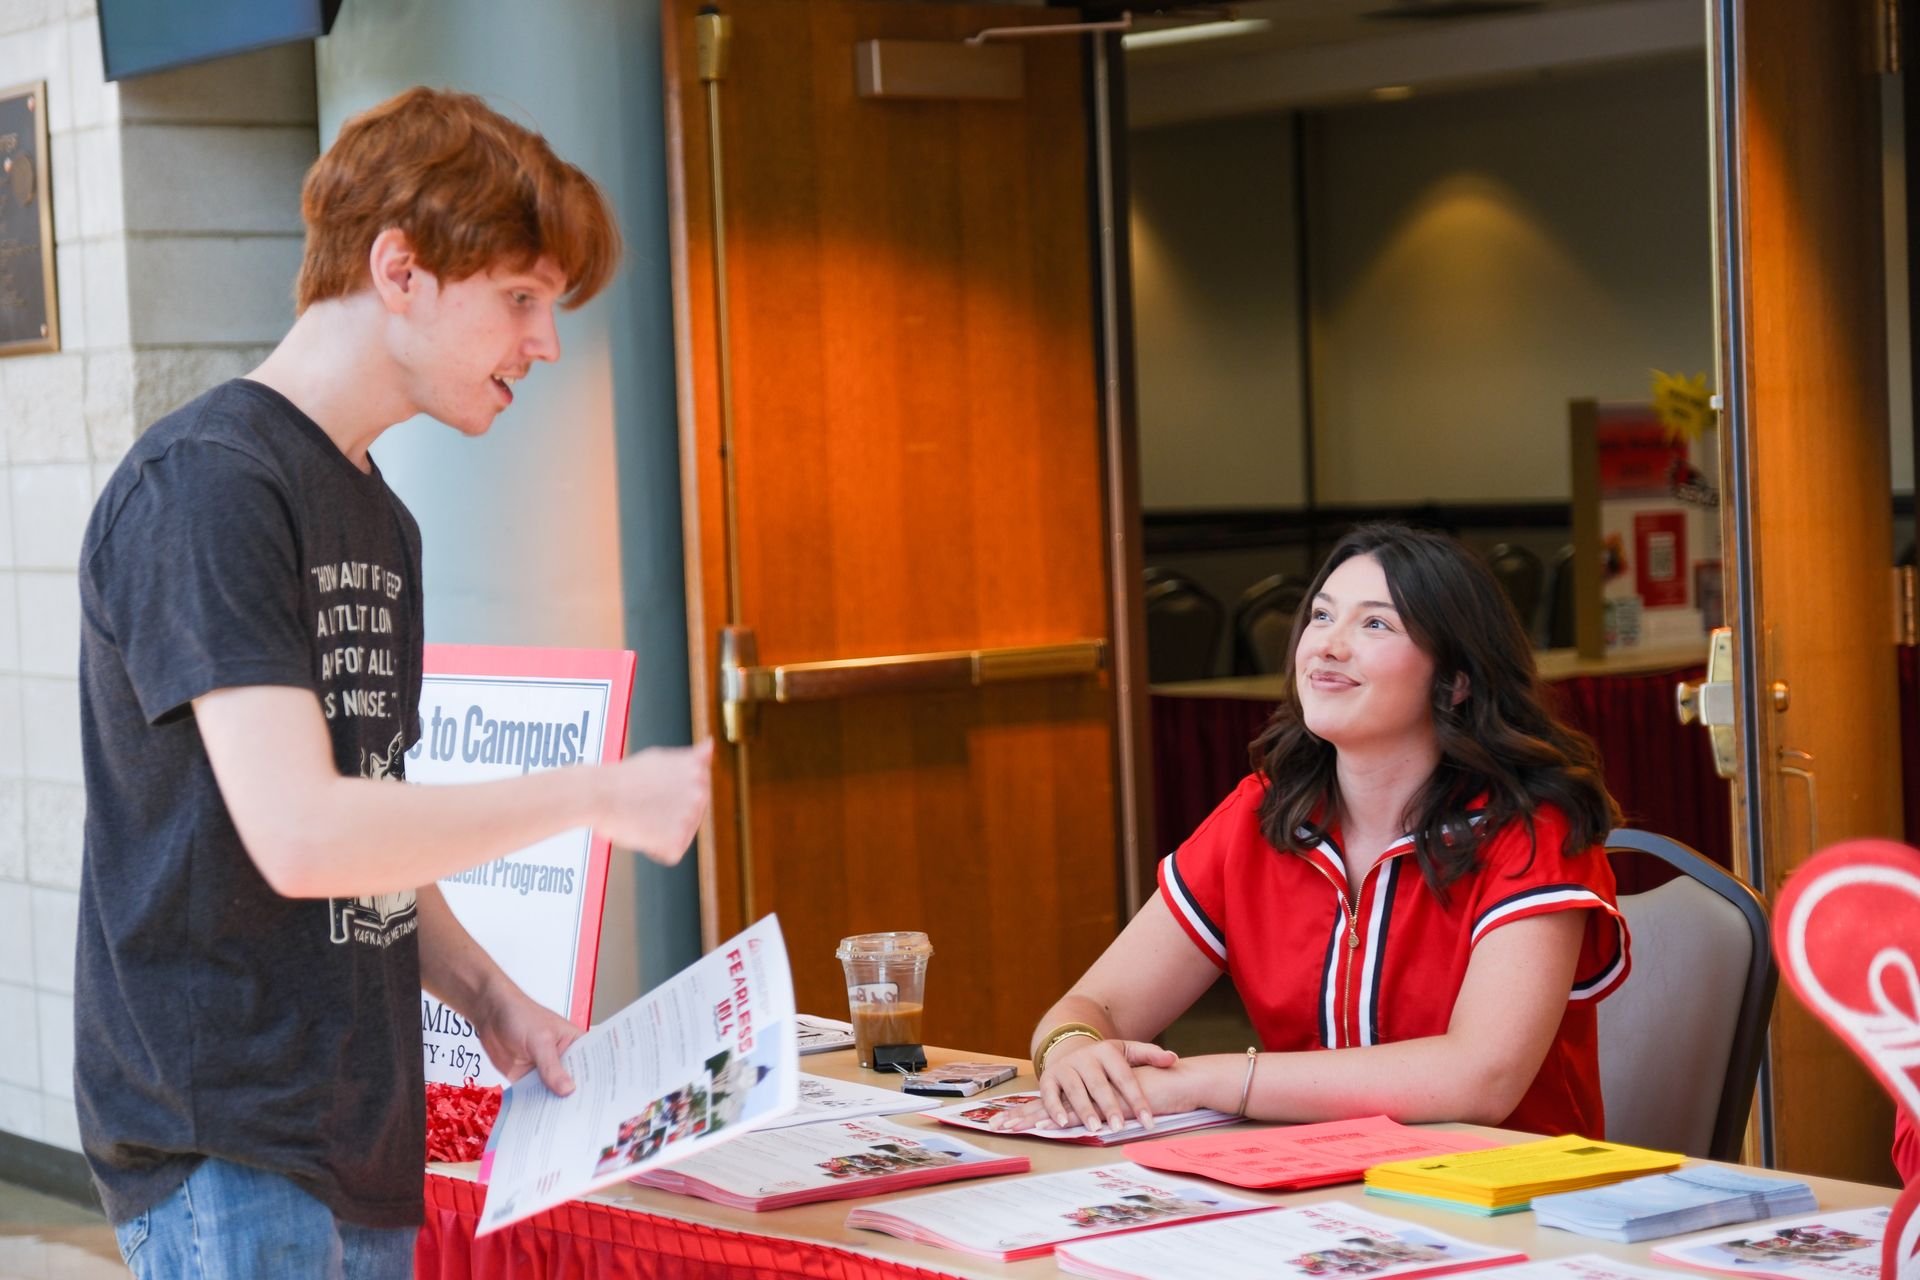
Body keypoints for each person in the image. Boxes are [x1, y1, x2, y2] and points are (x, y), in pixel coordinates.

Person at [74, 87, 712, 1278]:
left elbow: (372, 823)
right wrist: (589, 792)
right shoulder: (208, 487)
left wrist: (488, 992)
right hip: (231, 1132)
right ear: (401, 269)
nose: (546, 343)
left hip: (358, 1128)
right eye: (521, 299)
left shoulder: (379, 514)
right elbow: (306, 835)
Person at [999, 524, 1628, 1139]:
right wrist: (1072, 1051)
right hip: (1314, 1189)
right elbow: (1095, 1007)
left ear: (1455, 679)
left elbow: (1480, 1079)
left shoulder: (1531, 830)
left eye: (1375, 623)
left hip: (1515, 1202)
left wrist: (1207, 1080)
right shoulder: (1262, 816)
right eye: (1321, 616)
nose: (1326, 645)